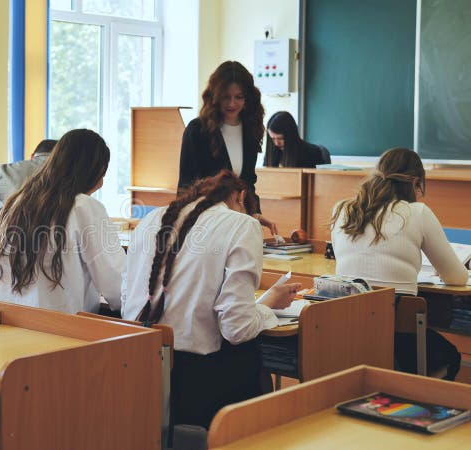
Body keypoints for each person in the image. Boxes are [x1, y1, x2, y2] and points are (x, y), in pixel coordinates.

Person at [122, 170, 299, 429]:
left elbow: (126, 295)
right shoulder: (242, 225)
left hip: (138, 364)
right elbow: (237, 329)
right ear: (240, 196)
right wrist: (270, 300)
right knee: (257, 365)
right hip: (199, 380)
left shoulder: (151, 219)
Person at [330, 147, 468, 380]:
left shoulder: (342, 210)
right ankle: (415, 399)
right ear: (415, 182)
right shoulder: (417, 212)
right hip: (397, 334)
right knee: (449, 356)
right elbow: (458, 278)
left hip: (344, 332)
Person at [0, 129, 125, 314]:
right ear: (93, 172)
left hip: (4, 318)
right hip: (57, 328)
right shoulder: (83, 206)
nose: (102, 182)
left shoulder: (18, 201)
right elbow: (116, 283)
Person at [177, 60, 278, 235]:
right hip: (204, 223)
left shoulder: (251, 130)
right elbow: (185, 187)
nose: (232, 104)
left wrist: (255, 212)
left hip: (236, 222)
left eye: (239, 97)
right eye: (226, 97)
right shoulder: (197, 130)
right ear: (215, 96)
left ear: (248, 98)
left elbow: (247, 181)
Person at [263, 111, 329, 168]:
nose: (276, 143)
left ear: (290, 135)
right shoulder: (272, 151)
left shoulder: (311, 152)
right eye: (273, 139)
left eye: (280, 138)